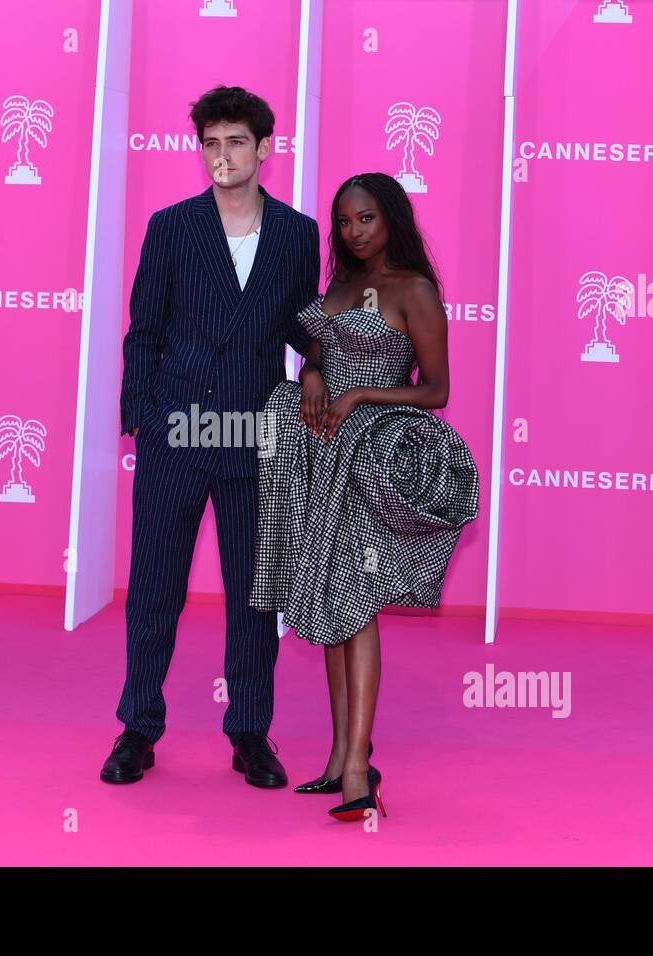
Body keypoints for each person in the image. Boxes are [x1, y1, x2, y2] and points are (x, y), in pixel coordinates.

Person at [102, 86, 322, 787]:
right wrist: (141, 414)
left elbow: (300, 327)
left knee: (256, 596)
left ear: (264, 149)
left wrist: (358, 351)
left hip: (255, 436)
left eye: (234, 142)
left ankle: (250, 732)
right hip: (177, 431)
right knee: (154, 589)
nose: (221, 155)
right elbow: (145, 331)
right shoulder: (172, 228)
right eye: (210, 142)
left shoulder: (296, 234)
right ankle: (137, 728)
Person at [249, 173, 481, 821]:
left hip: (371, 453)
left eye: (366, 219)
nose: (353, 232)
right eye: (344, 222)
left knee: (354, 602)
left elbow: (435, 390)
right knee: (327, 596)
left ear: (392, 218)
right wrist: (319, 375)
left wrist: (359, 395)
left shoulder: (414, 290)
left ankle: (357, 769)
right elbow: (318, 350)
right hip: (320, 449)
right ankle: (338, 759)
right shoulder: (341, 287)